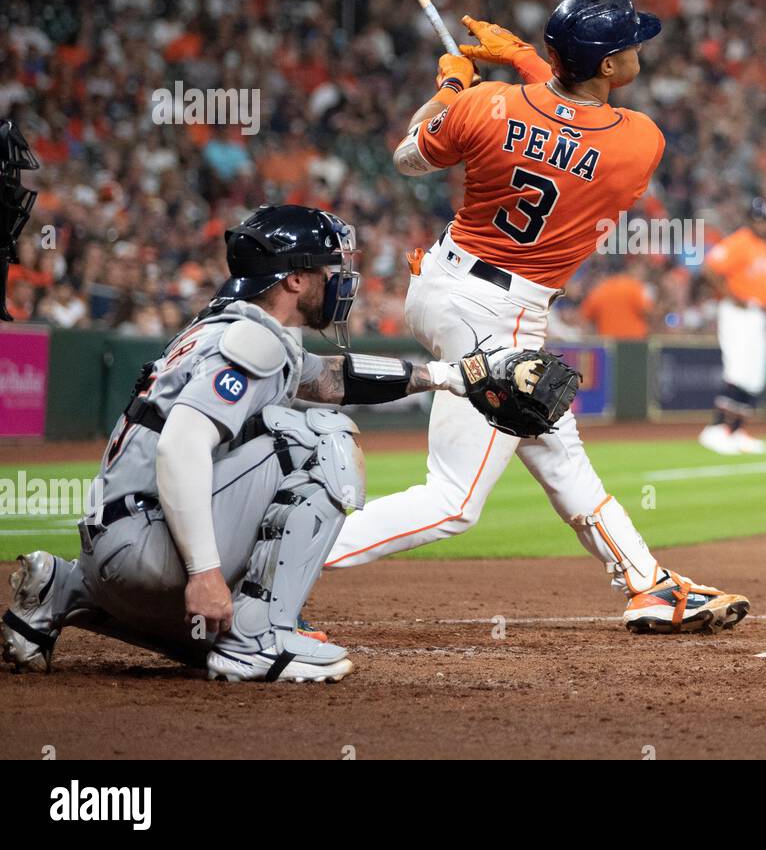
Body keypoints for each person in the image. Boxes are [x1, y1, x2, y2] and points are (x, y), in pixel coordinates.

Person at [325, 0, 751, 634]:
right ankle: (276, 560)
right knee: (453, 501)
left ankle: (649, 585)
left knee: (555, 443)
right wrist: (523, 60)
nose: (640, 49)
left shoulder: (483, 103)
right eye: (629, 44)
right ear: (606, 66)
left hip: (442, 281)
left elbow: (410, 155)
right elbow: (568, 122)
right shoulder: (639, 142)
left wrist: (451, 87)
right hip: (500, 313)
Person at [2, 205, 490, 682]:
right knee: (324, 436)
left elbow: (332, 381)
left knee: (209, 630)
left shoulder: (228, 329)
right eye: (328, 268)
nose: (339, 280)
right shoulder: (253, 341)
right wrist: (204, 573)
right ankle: (257, 638)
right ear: (294, 279)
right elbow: (181, 446)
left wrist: (453, 376)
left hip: (113, 551)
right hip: (146, 553)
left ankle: (60, 589)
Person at [699, 199, 766, 455]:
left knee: (754, 376)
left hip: (757, 314)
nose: (763, 223)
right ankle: (716, 428)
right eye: (760, 218)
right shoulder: (740, 241)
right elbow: (709, 268)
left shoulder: (763, 245)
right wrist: (729, 295)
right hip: (738, 312)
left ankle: (737, 430)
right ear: (751, 218)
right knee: (738, 370)